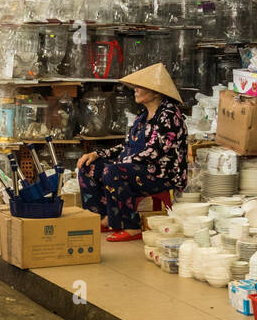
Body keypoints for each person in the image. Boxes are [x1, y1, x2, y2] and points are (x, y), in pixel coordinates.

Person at [76, 63, 188, 242]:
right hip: (138, 168)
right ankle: (103, 218)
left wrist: (122, 163)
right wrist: (98, 154)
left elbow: (155, 152)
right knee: (89, 167)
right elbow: (126, 146)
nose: (135, 90)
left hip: (161, 174)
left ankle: (131, 226)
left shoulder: (169, 115)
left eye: (140, 86)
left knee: (113, 171)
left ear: (156, 92)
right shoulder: (142, 117)